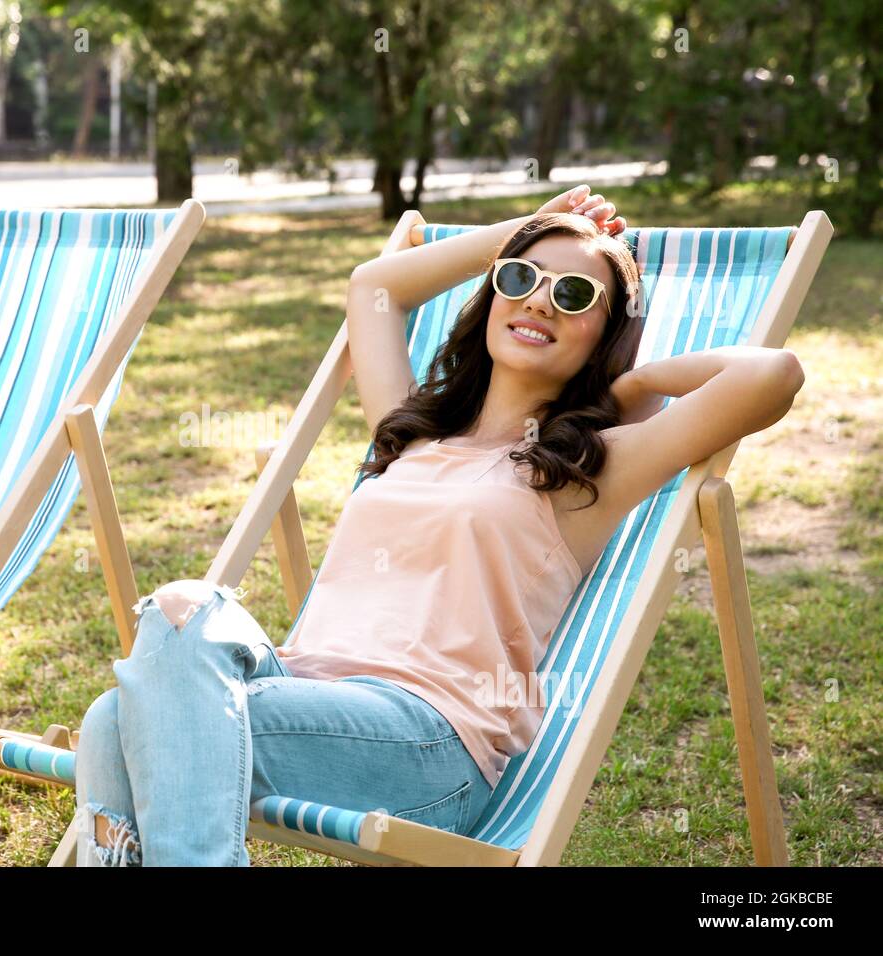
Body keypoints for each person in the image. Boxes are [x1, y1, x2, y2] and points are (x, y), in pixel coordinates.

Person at [71, 184, 806, 866]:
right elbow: (375, 287)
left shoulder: (584, 470)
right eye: (521, 278)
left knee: (123, 720)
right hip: (305, 690)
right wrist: (523, 229)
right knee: (169, 632)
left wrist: (635, 383)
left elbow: (772, 376)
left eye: (574, 295)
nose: (540, 303)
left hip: (429, 738)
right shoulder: (412, 433)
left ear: (603, 334)